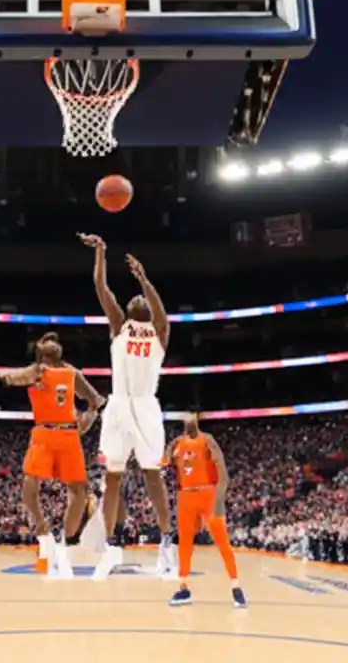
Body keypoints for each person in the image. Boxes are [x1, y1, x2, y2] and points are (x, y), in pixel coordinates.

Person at [78, 233, 176, 580]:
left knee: (153, 476)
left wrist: (145, 280)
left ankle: (167, 544)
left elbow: (162, 315)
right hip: (119, 406)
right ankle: (111, 547)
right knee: (112, 477)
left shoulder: (159, 332)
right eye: (136, 296)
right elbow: (100, 288)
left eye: (143, 298)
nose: (137, 298)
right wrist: (102, 253)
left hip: (147, 406)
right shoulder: (119, 325)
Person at [0, 332, 105, 578]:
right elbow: (20, 376)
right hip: (44, 433)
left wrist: (90, 415)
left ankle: (65, 543)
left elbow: (96, 399)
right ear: (43, 353)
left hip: (68, 434)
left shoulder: (71, 373)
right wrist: (5, 377)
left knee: (79, 491)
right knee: (28, 485)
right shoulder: (38, 371)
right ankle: (44, 532)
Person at [162, 413, 244, 608]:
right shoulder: (178, 444)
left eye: (191, 418)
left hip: (208, 494)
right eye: (185, 419)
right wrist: (168, 450)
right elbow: (166, 462)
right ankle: (183, 589)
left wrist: (219, 500)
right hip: (186, 497)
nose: (188, 421)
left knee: (222, 541)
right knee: (184, 543)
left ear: (197, 422)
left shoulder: (208, 440)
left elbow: (223, 472)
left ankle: (236, 587)